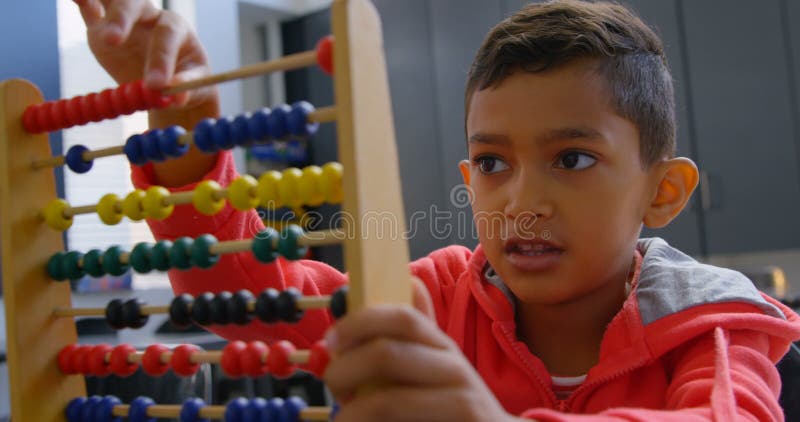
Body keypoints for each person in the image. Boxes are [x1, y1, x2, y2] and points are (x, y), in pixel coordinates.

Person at [74, 0, 800, 420]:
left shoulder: (713, 329)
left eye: (573, 158)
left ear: (662, 191)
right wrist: (186, 147)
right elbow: (254, 301)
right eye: (492, 164)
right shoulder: (438, 297)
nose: (522, 201)